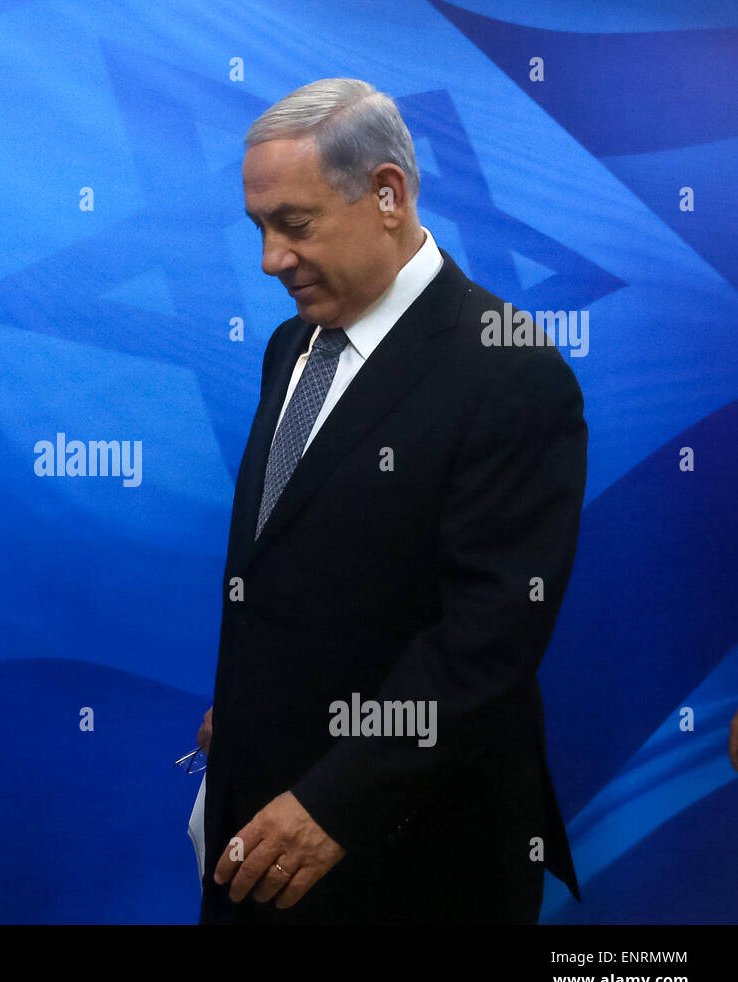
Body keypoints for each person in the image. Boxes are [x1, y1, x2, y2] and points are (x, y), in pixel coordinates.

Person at [199, 78, 586, 924]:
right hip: (259, 826)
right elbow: (302, 558)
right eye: (260, 228)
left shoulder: (512, 370)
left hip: (417, 855)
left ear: (388, 194)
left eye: (293, 225)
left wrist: (335, 801)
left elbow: (488, 635)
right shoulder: (290, 346)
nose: (270, 259)